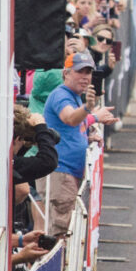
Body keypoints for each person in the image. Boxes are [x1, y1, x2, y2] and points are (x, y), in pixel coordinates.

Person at [43, 52, 115, 243]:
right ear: (66, 73)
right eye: (79, 71)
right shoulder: (61, 95)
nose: (85, 77)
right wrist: (90, 109)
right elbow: (69, 118)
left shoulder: (73, 96)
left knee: (67, 228)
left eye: (88, 72)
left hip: (68, 172)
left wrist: (88, 138)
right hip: (61, 171)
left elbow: (73, 128)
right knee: (61, 230)